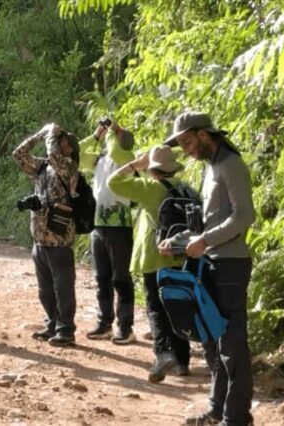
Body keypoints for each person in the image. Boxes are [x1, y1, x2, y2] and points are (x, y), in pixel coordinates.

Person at [159, 112, 255, 426]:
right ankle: (218, 409)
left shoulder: (231, 165)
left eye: (187, 142)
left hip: (231, 264)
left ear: (203, 134)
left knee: (232, 343)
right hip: (211, 262)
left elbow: (243, 218)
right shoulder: (211, 168)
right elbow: (206, 224)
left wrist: (205, 239)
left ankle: (237, 417)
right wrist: (177, 241)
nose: (185, 150)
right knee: (213, 341)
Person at [108, 146, 192, 383]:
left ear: (152, 169)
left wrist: (136, 164)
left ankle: (163, 353)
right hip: (181, 256)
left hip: (154, 256)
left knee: (156, 307)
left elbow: (113, 182)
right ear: (173, 167)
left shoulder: (149, 188)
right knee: (177, 306)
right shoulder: (186, 188)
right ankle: (183, 362)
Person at [13, 123, 80, 347]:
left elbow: (53, 155)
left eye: (64, 143)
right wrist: (41, 134)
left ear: (71, 150)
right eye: (58, 141)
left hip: (59, 239)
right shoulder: (42, 167)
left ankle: (66, 329)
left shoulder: (69, 166)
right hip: (40, 239)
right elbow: (19, 154)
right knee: (45, 289)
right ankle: (52, 323)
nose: (59, 145)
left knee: (63, 287)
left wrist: (51, 134)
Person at [78, 120, 136, 344]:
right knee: (102, 278)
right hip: (98, 226)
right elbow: (78, 157)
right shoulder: (100, 160)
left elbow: (116, 150)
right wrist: (95, 135)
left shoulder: (128, 160)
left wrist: (114, 132)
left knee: (121, 278)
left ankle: (125, 326)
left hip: (120, 227)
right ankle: (105, 323)